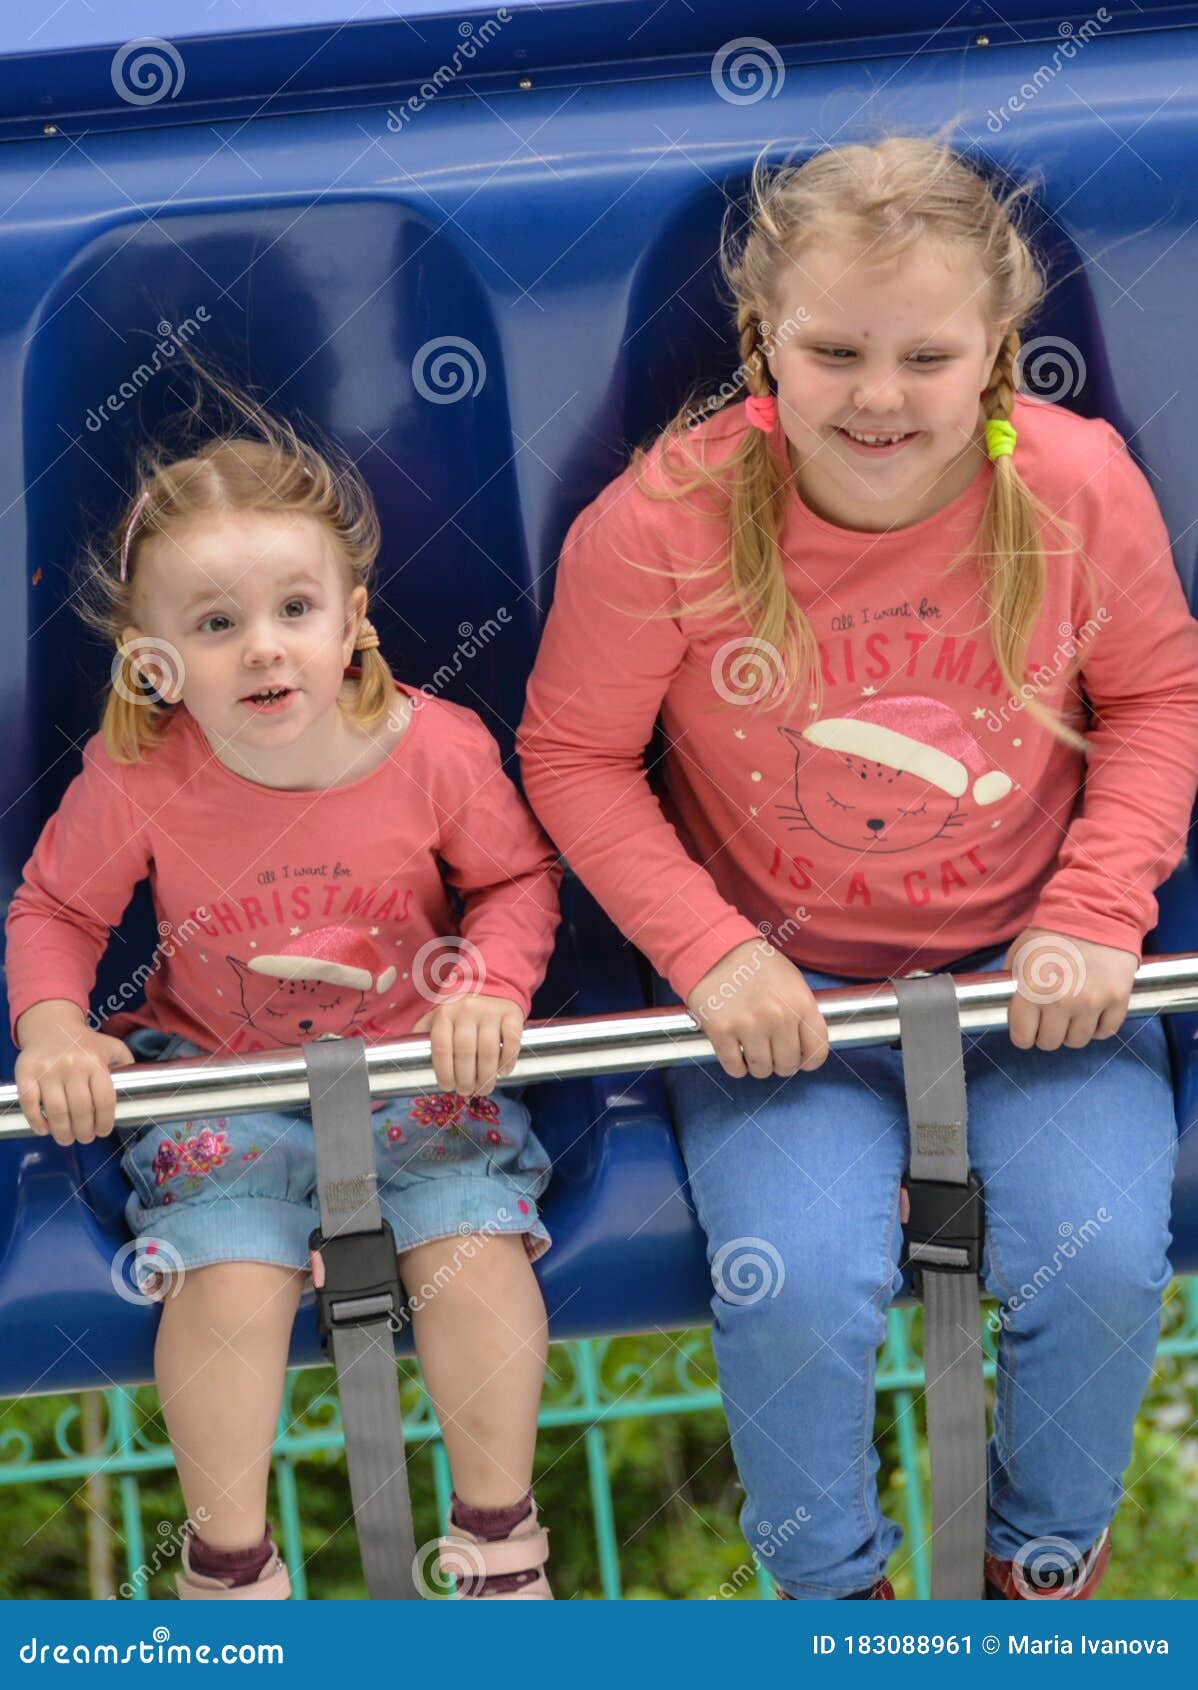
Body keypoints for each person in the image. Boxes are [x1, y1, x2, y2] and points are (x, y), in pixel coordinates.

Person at [517, 134, 1198, 1600]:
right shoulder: (666, 524)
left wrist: (1091, 914)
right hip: (792, 1002)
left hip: (1037, 982)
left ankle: (1038, 1579)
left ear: (996, 352)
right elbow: (569, 755)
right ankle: (833, 1604)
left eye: (924, 355)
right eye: (831, 350)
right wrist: (711, 951)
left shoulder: (1076, 491)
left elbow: (1153, 700)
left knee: (1093, 1267)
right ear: (763, 337)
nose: (876, 397)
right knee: (798, 1288)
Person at [6, 368, 561, 1600]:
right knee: (231, 1276)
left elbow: (518, 883)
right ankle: (231, 1569)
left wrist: (488, 990)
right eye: (213, 625)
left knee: (472, 1249)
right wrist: (52, 1026)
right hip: (224, 1083)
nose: (261, 645)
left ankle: (496, 1543)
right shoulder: (142, 771)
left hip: (419, 1070)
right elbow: (54, 908)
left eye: (293, 607)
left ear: (353, 619)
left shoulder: (436, 752)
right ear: (155, 666)